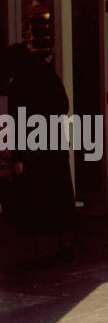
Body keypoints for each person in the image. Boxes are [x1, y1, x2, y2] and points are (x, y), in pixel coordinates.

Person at [0, 42, 76, 263]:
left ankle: (41, 251)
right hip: (54, 143)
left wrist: (18, 157)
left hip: (33, 149)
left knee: (35, 201)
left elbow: (18, 122)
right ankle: (64, 246)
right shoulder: (50, 77)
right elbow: (64, 106)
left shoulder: (19, 85)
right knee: (59, 196)